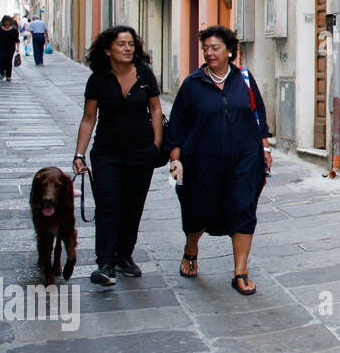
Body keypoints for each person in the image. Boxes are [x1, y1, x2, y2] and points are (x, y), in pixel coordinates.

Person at [167, 26, 271, 294]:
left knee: (243, 207)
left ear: (229, 51)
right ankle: (191, 248)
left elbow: (258, 117)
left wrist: (265, 149)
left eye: (215, 48)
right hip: (202, 161)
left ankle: (240, 271)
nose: (209, 53)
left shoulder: (245, 80)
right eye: (206, 48)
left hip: (245, 158)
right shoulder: (192, 84)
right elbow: (177, 125)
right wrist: (175, 161)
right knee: (198, 209)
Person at [72, 26, 164, 287]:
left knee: (133, 205)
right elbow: (89, 118)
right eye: (121, 44)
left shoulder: (144, 74)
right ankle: (105, 263)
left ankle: (124, 255)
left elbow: (155, 108)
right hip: (107, 153)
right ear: (107, 49)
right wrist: (79, 154)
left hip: (140, 152)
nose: (127, 48)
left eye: (131, 44)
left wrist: (156, 143)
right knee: (108, 205)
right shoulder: (98, 79)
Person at [0, 15, 20, 81]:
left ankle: (8, 75)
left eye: (8, 21)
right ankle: (2, 74)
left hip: (10, 47)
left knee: (9, 60)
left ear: (10, 22)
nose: (7, 23)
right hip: (1, 46)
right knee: (1, 59)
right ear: (3, 21)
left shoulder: (14, 30)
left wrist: (18, 48)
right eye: (5, 21)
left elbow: (17, 39)